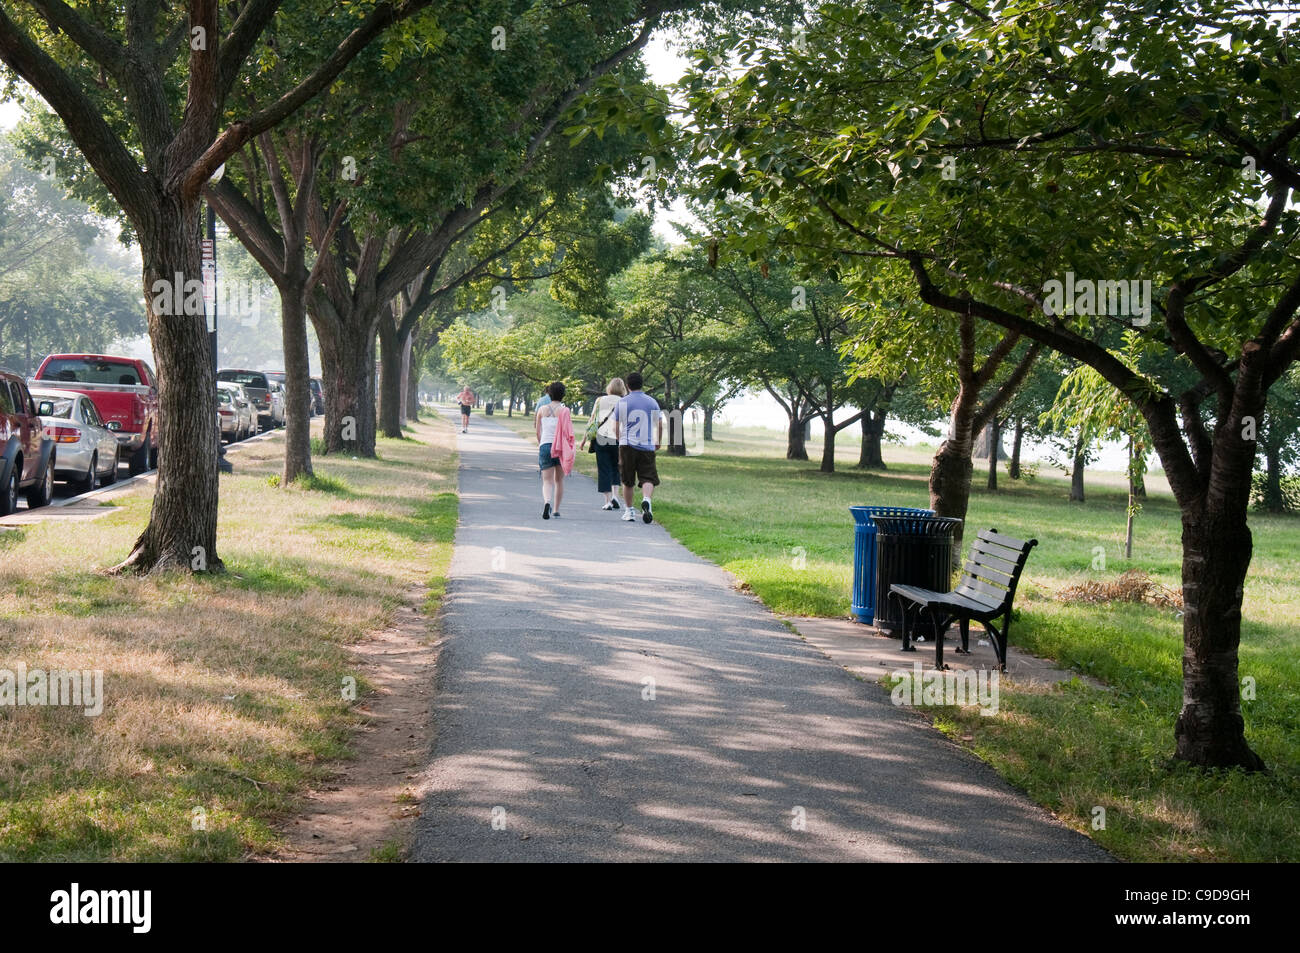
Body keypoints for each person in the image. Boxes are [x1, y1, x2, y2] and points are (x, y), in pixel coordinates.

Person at [614, 371, 662, 523]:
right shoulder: (652, 402)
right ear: (642, 384)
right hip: (647, 446)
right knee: (648, 477)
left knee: (627, 480)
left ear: (627, 385)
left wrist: (619, 438)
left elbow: (616, 426)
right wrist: (658, 440)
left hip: (627, 445)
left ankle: (629, 512)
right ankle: (646, 499)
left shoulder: (622, 402)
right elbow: (659, 424)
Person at [582, 377, 627, 510]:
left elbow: (592, 420)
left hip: (601, 438)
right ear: (622, 388)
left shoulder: (600, 400)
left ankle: (607, 501)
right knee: (616, 468)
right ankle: (615, 496)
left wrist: (585, 438)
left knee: (604, 469)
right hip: (617, 438)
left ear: (609, 387)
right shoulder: (624, 402)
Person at [535, 381, 574, 520]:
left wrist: (541, 444)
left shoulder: (542, 409)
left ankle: (547, 502)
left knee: (547, 481)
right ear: (563, 394)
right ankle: (556, 510)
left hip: (545, 445)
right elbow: (569, 432)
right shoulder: (565, 410)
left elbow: (538, 431)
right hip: (560, 448)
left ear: (549, 393)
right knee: (559, 480)